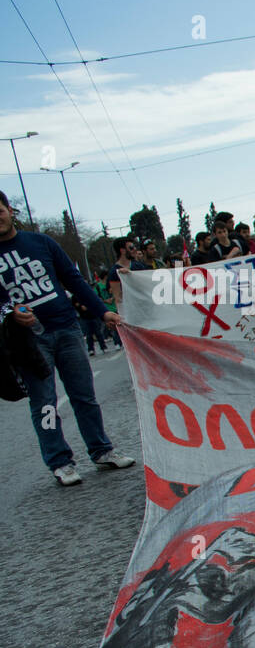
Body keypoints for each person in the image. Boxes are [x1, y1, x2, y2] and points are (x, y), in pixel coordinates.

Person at [0, 190, 134, 485]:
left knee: (84, 396)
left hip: (67, 328)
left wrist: (102, 312)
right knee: (45, 404)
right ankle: (60, 462)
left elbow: (73, 280)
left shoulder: (41, 243)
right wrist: (9, 312)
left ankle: (102, 451)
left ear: (10, 210)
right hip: (28, 342)